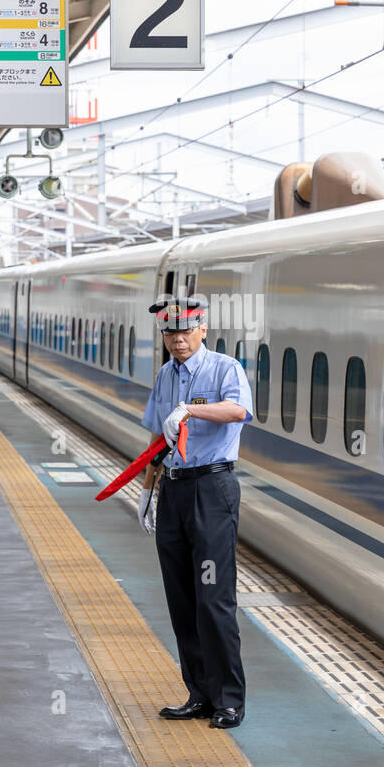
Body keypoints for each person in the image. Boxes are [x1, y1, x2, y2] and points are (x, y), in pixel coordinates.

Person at [139, 295, 254, 729]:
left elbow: (237, 410)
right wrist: (148, 490)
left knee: (213, 598)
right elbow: (157, 435)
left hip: (212, 488)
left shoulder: (225, 368)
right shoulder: (165, 375)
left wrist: (190, 409)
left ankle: (229, 699)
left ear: (203, 329)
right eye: (170, 332)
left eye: (186, 331)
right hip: (176, 489)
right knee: (182, 598)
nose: (178, 339)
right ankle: (199, 694)